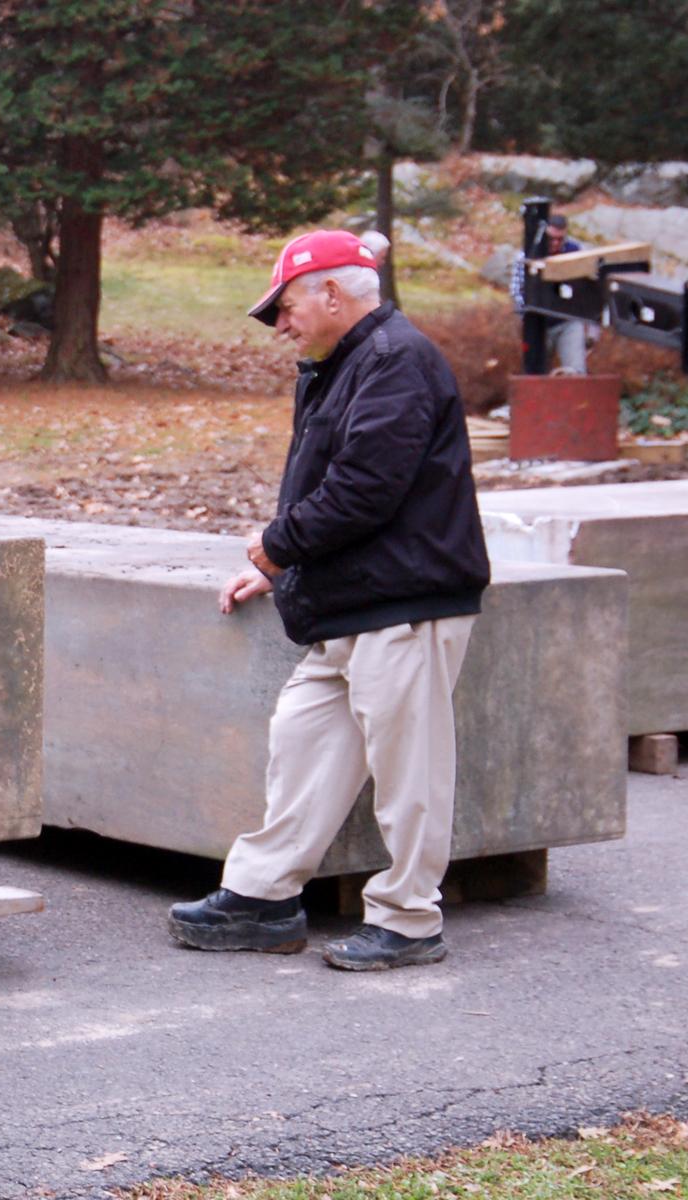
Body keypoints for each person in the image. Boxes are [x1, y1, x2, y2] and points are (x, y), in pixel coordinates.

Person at [168, 229, 491, 971]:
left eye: (285, 308)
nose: (282, 326)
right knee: (302, 738)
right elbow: (340, 484)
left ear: (332, 295)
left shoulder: (394, 361)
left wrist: (278, 546)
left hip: (406, 602)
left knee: (409, 768)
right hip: (358, 599)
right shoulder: (347, 363)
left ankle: (409, 920)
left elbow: (365, 489)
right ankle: (263, 896)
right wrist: (281, 570)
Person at [510, 213, 592, 375]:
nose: (555, 243)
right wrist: (525, 319)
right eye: (551, 238)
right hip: (537, 323)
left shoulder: (575, 252)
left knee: (577, 372)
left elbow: (587, 289)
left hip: (568, 321)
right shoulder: (527, 255)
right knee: (535, 373)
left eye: (560, 239)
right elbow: (517, 290)